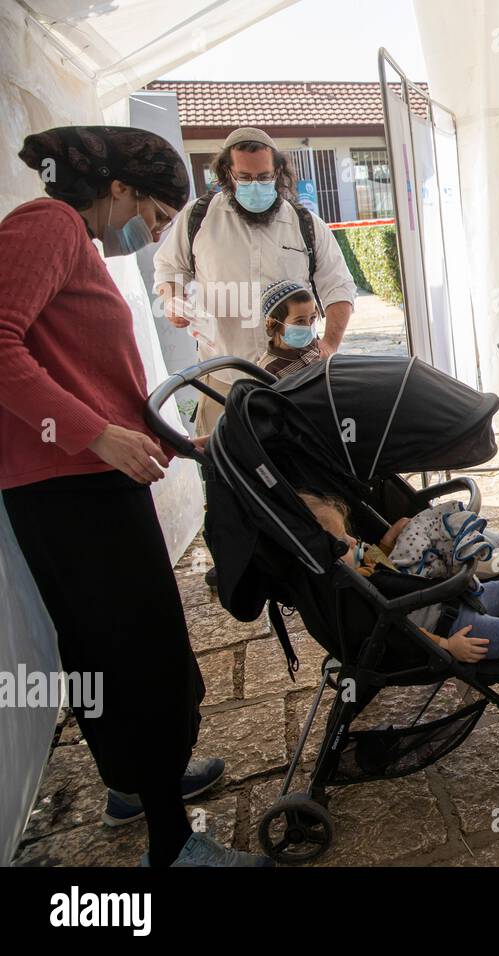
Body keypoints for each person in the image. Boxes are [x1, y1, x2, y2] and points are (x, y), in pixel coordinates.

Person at [1, 126, 265, 865]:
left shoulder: (73, 242)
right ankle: (171, 843)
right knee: (135, 651)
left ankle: (135, 785)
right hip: (69, 486)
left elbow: (94, 378)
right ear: (118, 188)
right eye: (151, 218)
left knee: (116, 647)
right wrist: (94, 437)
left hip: (84, 480)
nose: (149, 236)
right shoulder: (47, 224)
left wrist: (184, 445)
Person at [299, 493, 499, 732]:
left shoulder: (361, 569)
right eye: (343, 541)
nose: (353, 541)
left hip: (447, 605)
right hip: (448, 630)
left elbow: (387, 567)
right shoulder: (356, 594)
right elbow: (397, 631)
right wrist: (447, 648)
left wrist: (387, 540)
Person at [153, 127, 355, 435]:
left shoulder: (305, 225)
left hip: (295, 381)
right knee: (226, 468)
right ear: (227, 173)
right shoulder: (199, 218)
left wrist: (330, 344)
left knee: (296, 470)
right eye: (245, 178)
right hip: (222, 381)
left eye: (264, 177)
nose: (256, 186)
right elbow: (169, 268)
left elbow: (338, 286)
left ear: (278, 172)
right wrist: (172, 299)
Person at [257, 279, 322, 378]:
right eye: (300, 321)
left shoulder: (313, 343)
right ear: (273, 323)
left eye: (312, 318)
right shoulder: (268, 368)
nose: (309, 327)